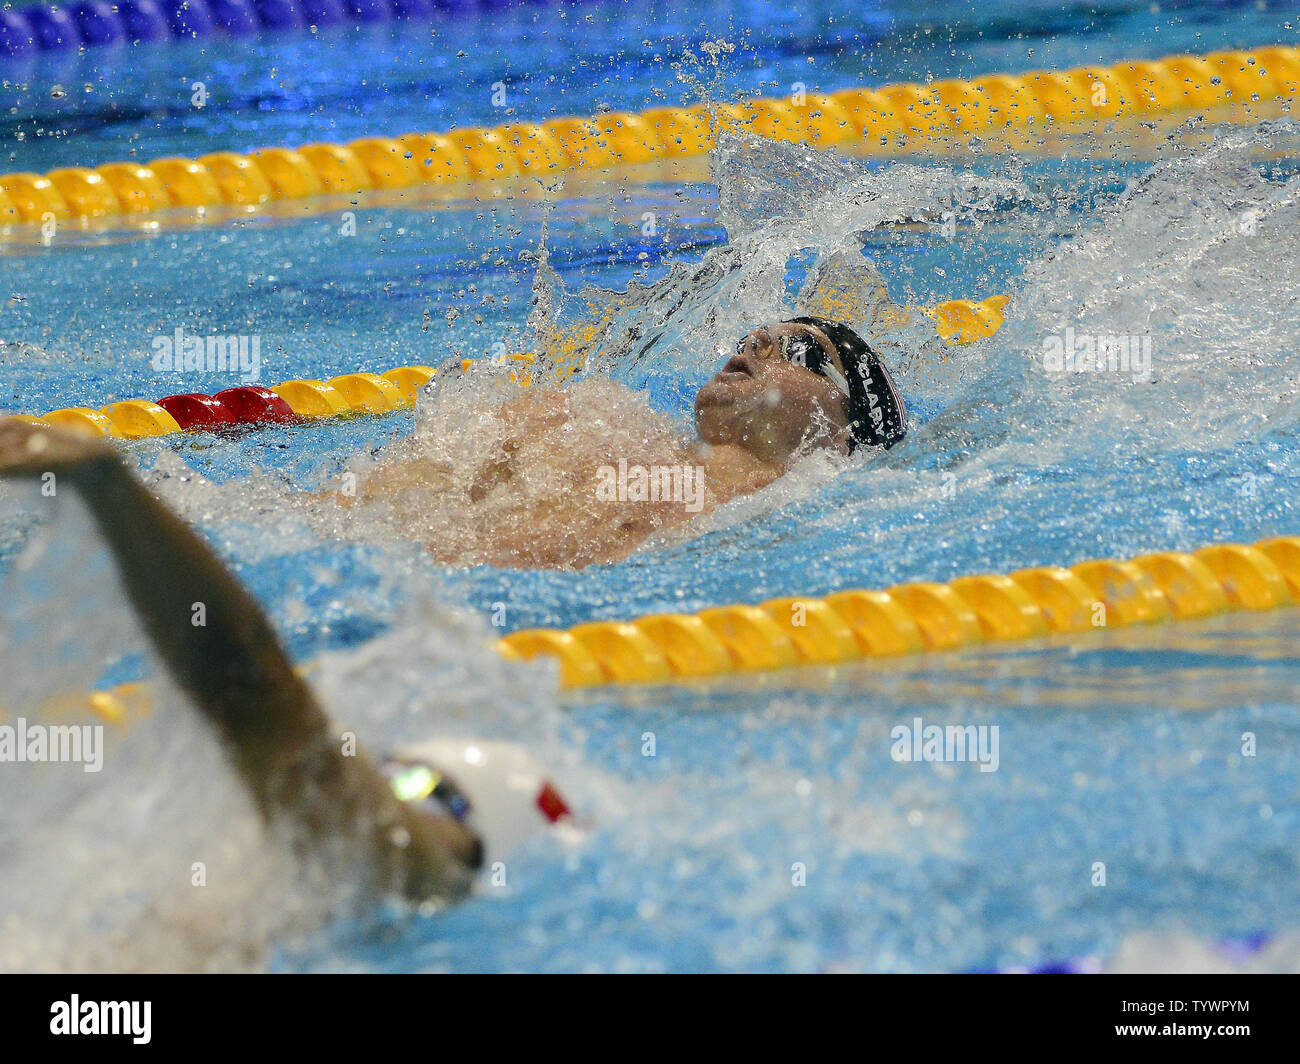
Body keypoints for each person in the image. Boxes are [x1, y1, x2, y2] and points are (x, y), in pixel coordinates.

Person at [349, 316, 907, 568]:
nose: (758, 343)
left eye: (803, 353)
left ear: (840, 431)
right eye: (753, 339)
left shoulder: (737, 505)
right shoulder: (606, 420)